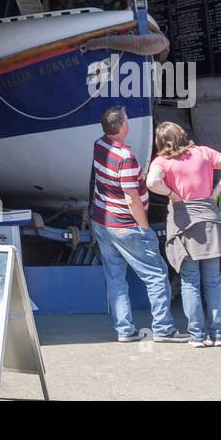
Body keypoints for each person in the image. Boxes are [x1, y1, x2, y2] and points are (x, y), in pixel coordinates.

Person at [89, 105, 185, 343]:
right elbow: (131, 197)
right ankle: (163, 328)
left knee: (115, 278)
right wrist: (144, 228)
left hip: (102, 221)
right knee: (157, 274)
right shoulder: (126, 158)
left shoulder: (99, 145)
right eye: (127, 120)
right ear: (123, 126)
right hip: (125, 225)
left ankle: (124, 330)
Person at [146, 122, 221, 347]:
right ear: (181, 135)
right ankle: (217, 335)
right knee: (213, 281)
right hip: (208, 218)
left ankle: (197, 336)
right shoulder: (204, 153)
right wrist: (217, 190)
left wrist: (171, 193)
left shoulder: (162, 161)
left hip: (183, 222)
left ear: (161, 142)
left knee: (190, 282)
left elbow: (151, 182)